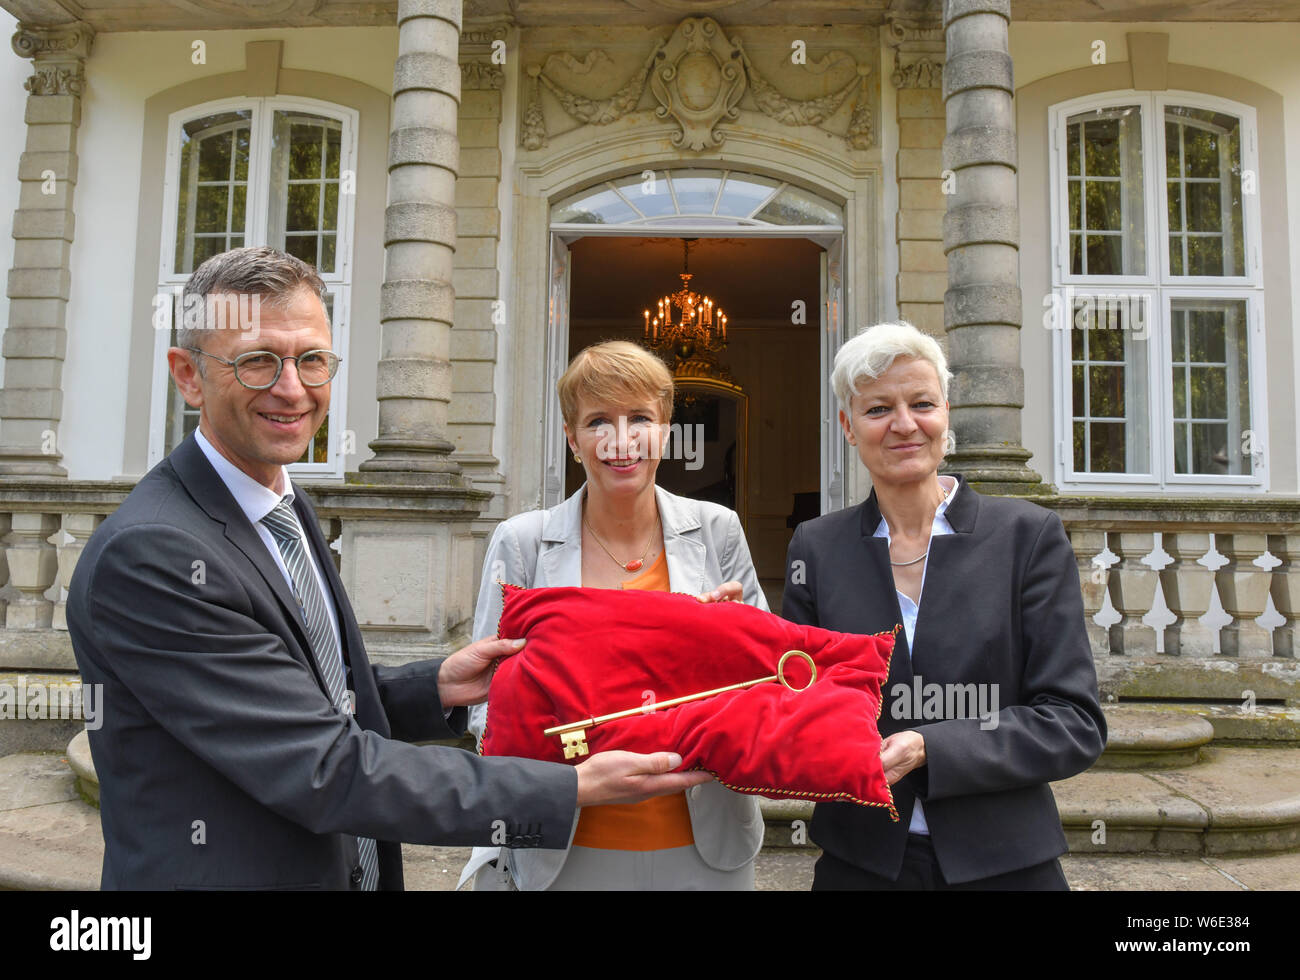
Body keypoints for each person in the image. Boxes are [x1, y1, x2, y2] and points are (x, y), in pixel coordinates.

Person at [66, 247, 709, 890]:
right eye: (258, 360)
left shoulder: (283, 503)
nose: (292, 388)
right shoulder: (154, 554)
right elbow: (323, 767)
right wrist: (566, 787)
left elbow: (308, 694)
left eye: (312, 360)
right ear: (188, 375)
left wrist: (436, 688)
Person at [782, 321, 1106, 890]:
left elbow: (1072, 721)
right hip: (863, 862)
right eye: (878, 409)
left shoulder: (1027, 537)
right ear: (848, 427)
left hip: (1005, 863)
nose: (904, 424)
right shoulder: (817, 546)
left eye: (921, 403)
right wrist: (726, 637)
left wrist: (934, 745)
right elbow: (794, 700)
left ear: (946, 413)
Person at [460, 341, 767, 891]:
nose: (621, 440)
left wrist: (729, 651)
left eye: (640, 419)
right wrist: (572, 768)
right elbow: (486, 708)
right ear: (572, 438)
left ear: (667, 431)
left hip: (705, 845)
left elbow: (774, 686)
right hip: (565, 846)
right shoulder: (524, 542)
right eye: (599, 420)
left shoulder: (717, 528)